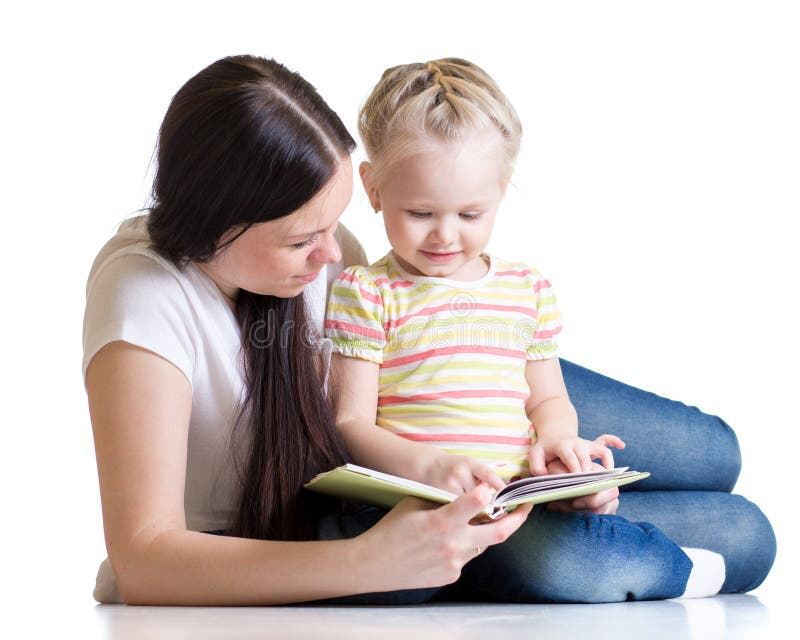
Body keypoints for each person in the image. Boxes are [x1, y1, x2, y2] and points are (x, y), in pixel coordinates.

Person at [83, 54, 775, 606]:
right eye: (302, 241)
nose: (335, 257)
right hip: (398, 456)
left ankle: (591, 509)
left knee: (715, 454)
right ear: (217, 224)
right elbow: (144, 558)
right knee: (745, 536)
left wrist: (560, 450)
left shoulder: (332, 261)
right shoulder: (145, 297)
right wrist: (365, 561)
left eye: (336, 223)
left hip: (459, 382)